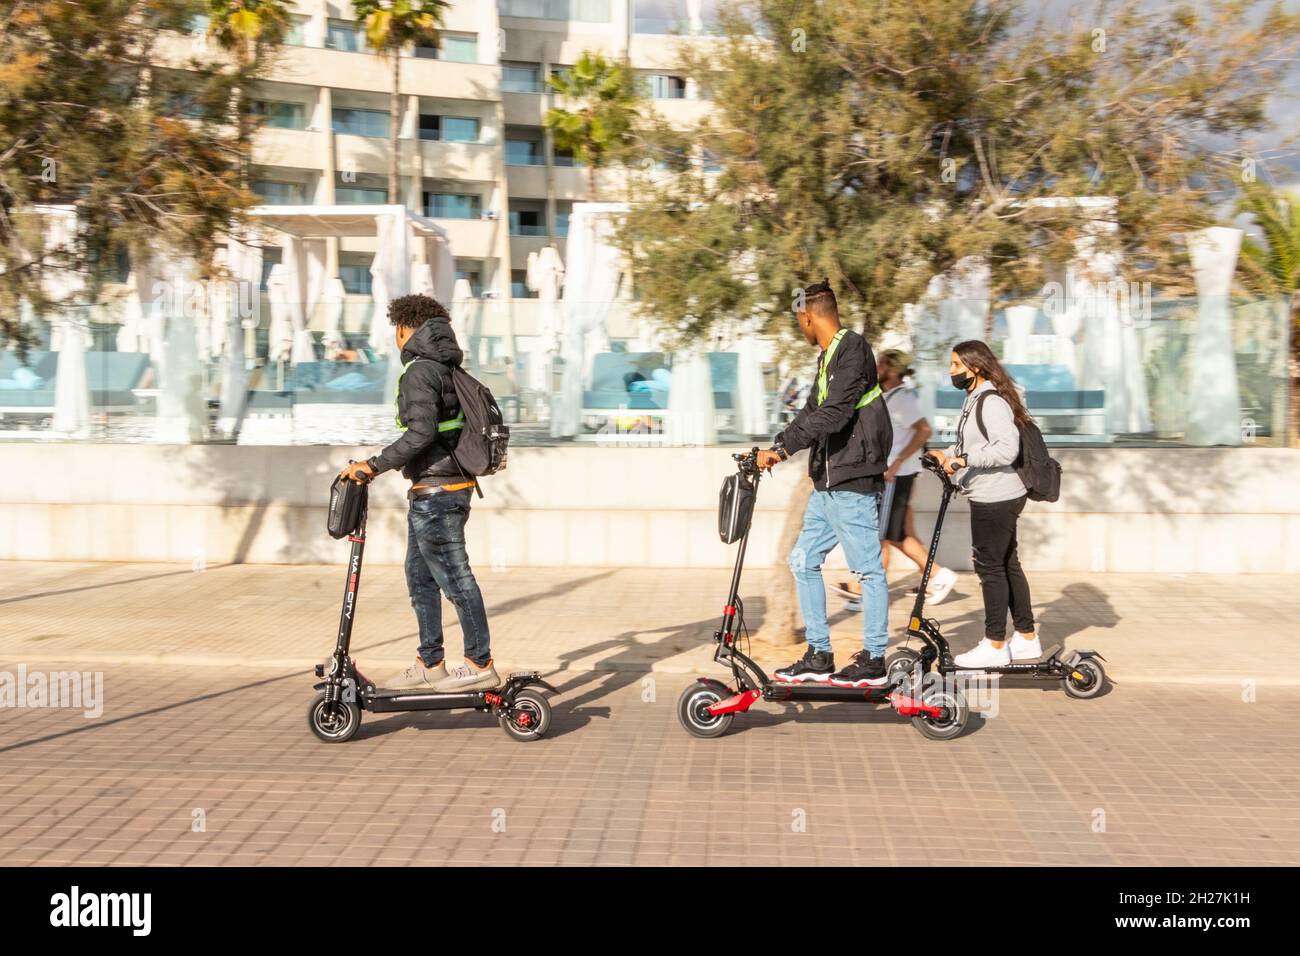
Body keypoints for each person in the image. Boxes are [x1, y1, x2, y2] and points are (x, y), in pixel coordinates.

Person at [337, 294, 498, 692]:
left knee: (455, 579)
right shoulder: (444, 367)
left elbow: (421, 432)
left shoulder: (420, 372)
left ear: (405, 329)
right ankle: (431, 663)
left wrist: (372, 465)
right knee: (420, 577)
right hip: (439, 489)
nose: (396, 337)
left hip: (439, 493)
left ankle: (480, 663)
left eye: (396, 330)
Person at [756, 279, 894, 687]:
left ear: (808, 316)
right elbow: (812, 410)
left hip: (852, 476)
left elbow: (834, 414)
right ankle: (819, 653)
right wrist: (776, 446)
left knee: (868, 570)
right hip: (829, 480)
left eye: (799, 320)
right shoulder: (828, 357)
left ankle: (874, 658)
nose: (799, 327)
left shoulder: (853, 350)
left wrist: (783, 453)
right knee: (802, 560)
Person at [928, 340, 1042, 667]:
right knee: (1007, 564)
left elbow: (1006, 449)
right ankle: (1026, 638)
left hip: (995, 495)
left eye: (955, 365)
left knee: (990, 568)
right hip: (999, 493)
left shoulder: (990, 401)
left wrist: (962, 460)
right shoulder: (977, 397)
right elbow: (973, 442)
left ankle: (994, 646)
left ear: (974, 367)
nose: (951, 372)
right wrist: (947, 454)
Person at [830, 349, 958, 605]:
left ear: (893, 370)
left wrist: (897, 462)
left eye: (880, 365)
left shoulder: (901, 399)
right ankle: (929, 576)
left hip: (893, 476)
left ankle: (867, 589)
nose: (876, 369)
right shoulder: (889, 396)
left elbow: (923, 430)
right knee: (898, 532)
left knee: (883, 534)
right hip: (895, 475)